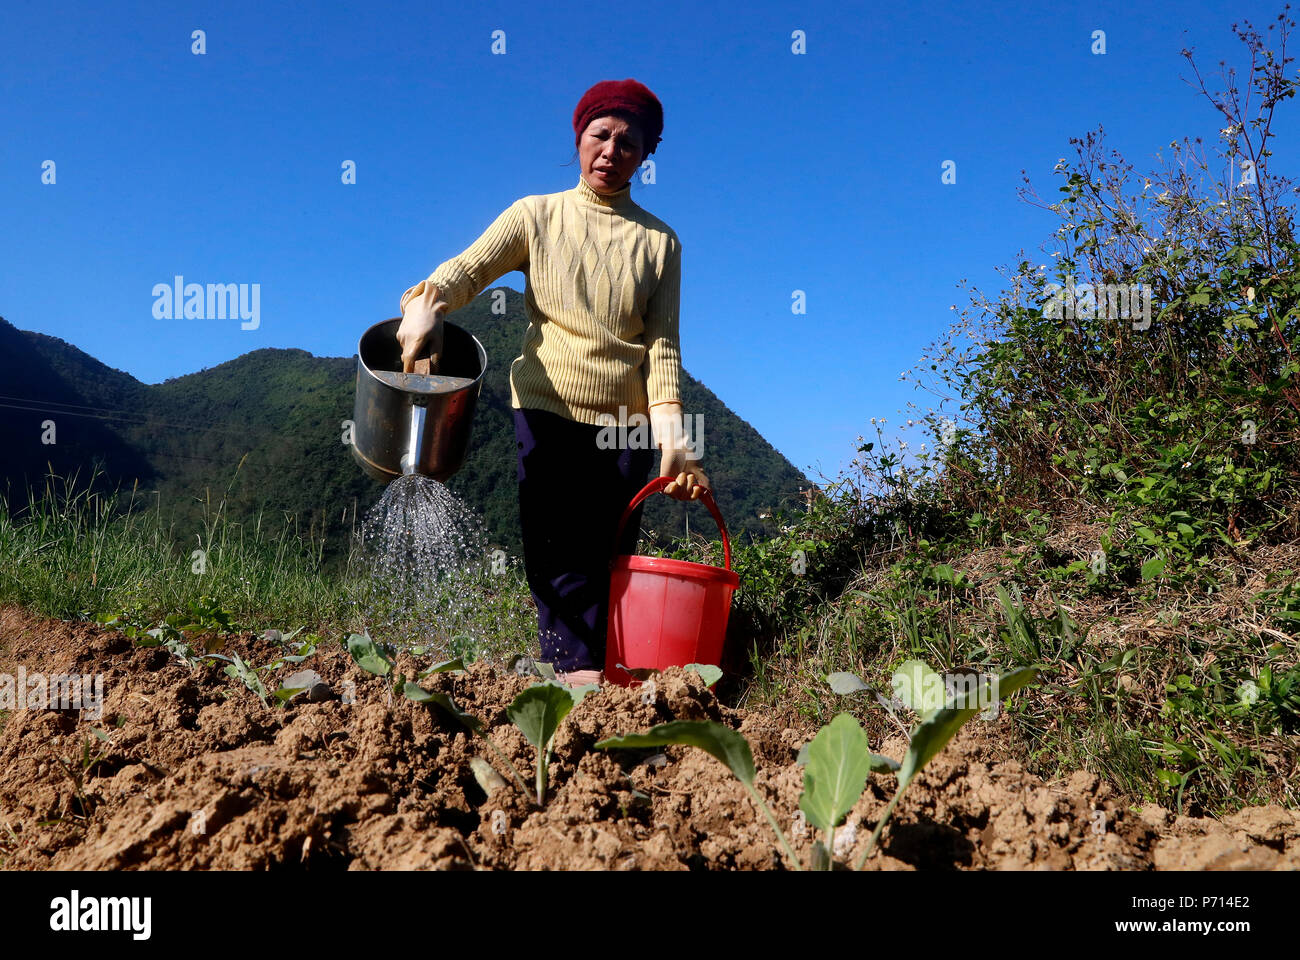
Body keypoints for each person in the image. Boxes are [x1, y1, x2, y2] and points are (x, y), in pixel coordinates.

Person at [395, 78, 708, 688]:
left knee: (610, 556)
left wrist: (672, 429)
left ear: (646, 156)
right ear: (580, 138)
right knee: (557, 555)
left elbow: (662, 344)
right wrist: (426, 303)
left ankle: (603, 680)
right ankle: (577, 682)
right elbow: (469, 269)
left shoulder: (661, 242)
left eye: (628, 143)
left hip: (627, 424)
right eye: (601, 135)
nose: (612, 151)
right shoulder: (536, 215)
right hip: (546, 410)